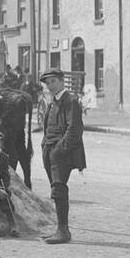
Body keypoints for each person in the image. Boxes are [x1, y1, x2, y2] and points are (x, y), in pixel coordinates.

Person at [39, 66, 86, 244]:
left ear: (61, 81)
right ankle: (59, 228)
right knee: (55, 189)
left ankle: (63, 231)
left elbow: (74, 130)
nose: (50, 85)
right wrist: (45, 145)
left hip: (61, 153)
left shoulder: (70, 101)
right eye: (47, 83)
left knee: (59, 188)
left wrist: (59, 150)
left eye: (53, 81)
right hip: (49, 150)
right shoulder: (53, 102)